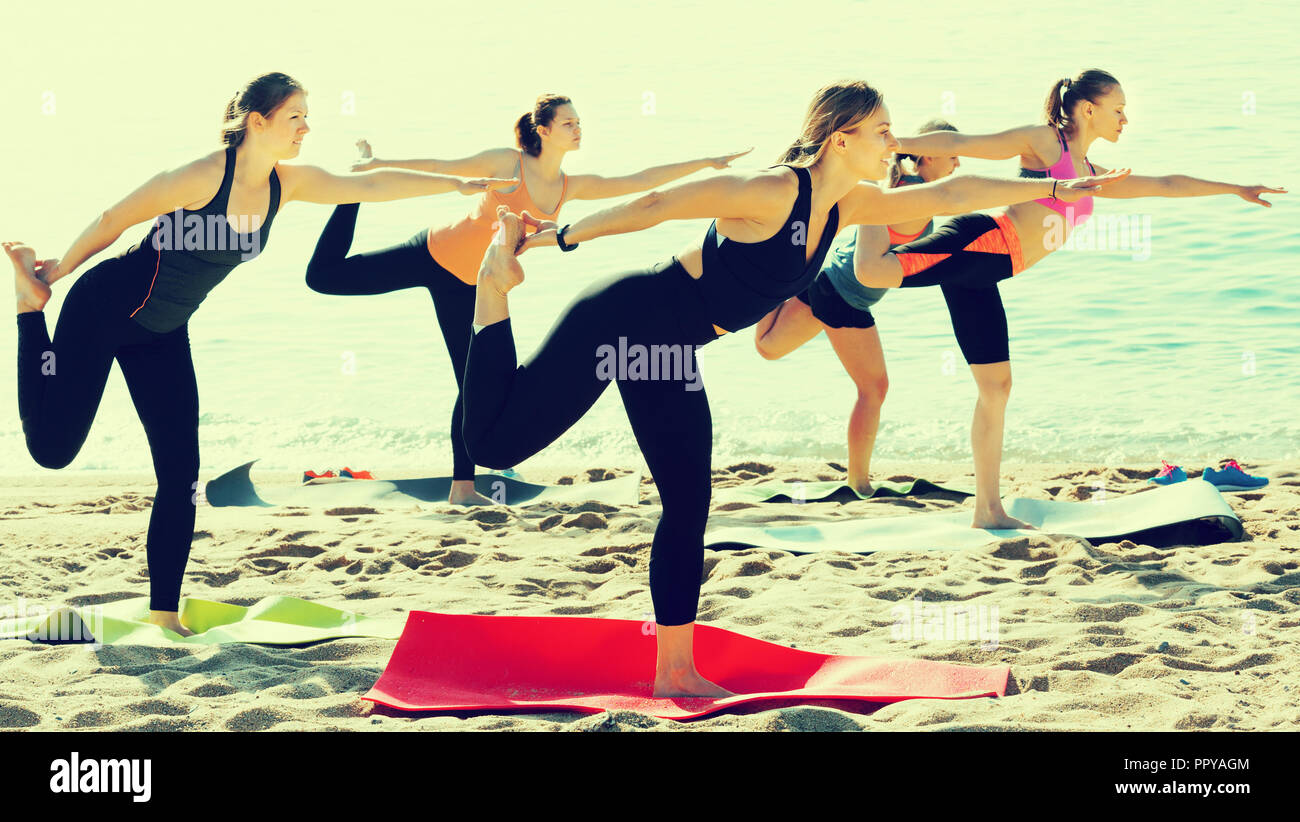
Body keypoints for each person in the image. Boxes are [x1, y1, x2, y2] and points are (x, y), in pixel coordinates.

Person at [460, 81, 1123, 696]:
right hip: (623, 318)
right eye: (882, 132)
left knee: (689, 503)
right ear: (842, 140)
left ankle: (675, 670)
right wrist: (566, 235)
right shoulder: (777, 191)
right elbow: (663, 205)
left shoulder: (849, 203)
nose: (895, 144)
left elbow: (948, 196)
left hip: (670, 350)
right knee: (495, 443)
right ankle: (491, 291)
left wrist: (1055, 193)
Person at [7, 72, 511, 636]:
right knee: (52, 454)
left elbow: (366, 185)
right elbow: (112, 219)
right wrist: (59, 270)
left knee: (181, 475)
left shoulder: (284, 184)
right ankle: (30, 307)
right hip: (104, 310)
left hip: (164, 332)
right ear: (257, 122)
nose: (306, 127)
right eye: (295, 116)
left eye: (306, 116)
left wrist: (457, 184)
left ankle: (164, 615)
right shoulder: (203, 176)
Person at [850, 69, 1286, 529]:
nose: (1125, 119)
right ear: (1088, 109)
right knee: (871, 269)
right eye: (1118, 109)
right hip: (981, 243)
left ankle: (987, 511)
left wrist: (1235, 188)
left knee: (996, 390)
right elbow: (966, 143)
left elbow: (1167, 184)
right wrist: (891, 144)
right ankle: (863, 193)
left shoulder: (1093, 175)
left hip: (989, 274)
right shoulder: (1046, 143)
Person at [305, 94, 750, 504]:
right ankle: (351, 195)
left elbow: (638, 182)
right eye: (569, 122)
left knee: (471, 383)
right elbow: (445, 165)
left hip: (475, 287)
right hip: (432, 254)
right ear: (544, 129)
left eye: (579, 122)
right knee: (324, 277)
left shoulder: (567, 186)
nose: (578, 128)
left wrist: (706, 162)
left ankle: (463, 488)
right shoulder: (508, 163)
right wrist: (376, 165)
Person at [754, 119, 961, 495]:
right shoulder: (904, 193)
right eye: (953, 155)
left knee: (768, 347)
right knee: (874, 388)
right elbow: (878, 258)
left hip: (827, 282)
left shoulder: (913, 191)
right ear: (928, 156)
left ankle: (773, 276)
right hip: (843, 294)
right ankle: (859, 482)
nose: (958, 164)